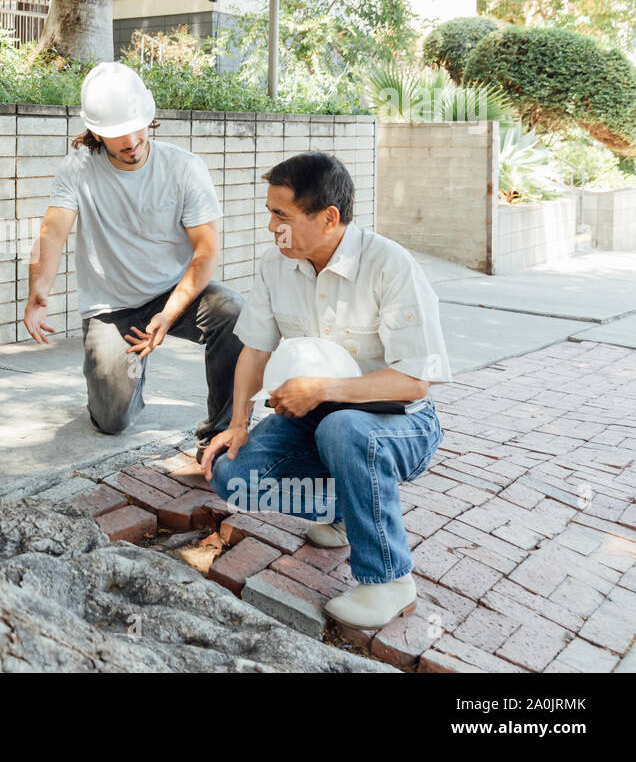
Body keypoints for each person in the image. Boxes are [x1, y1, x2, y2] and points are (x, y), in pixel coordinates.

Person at [198, 152, 451, 630]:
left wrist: (320, 389)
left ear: (329, 218)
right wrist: (236, 425)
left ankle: (390, 581)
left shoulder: (390, 266)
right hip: (321, 421)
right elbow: (254, 350)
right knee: (232, 473)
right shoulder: (277, 264)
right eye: (269, 212)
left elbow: (417, 378)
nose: (271, 226)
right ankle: (344, 510)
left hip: (400, 423)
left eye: (282, 215)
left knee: (344, 429)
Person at [25, 62, 245, 443]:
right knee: (112, 421)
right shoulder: (77, 169)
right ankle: (126, 378)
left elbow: (206, 252)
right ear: (95, 132)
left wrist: (169, 314)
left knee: (237, 315)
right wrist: (37, 289)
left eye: (136, 127)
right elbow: (52, 231)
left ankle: (222, 429)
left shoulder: (184, 168)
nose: (130, 140)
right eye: (116, 134)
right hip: (113, 308)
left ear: (150, 116)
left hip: (174, 294)